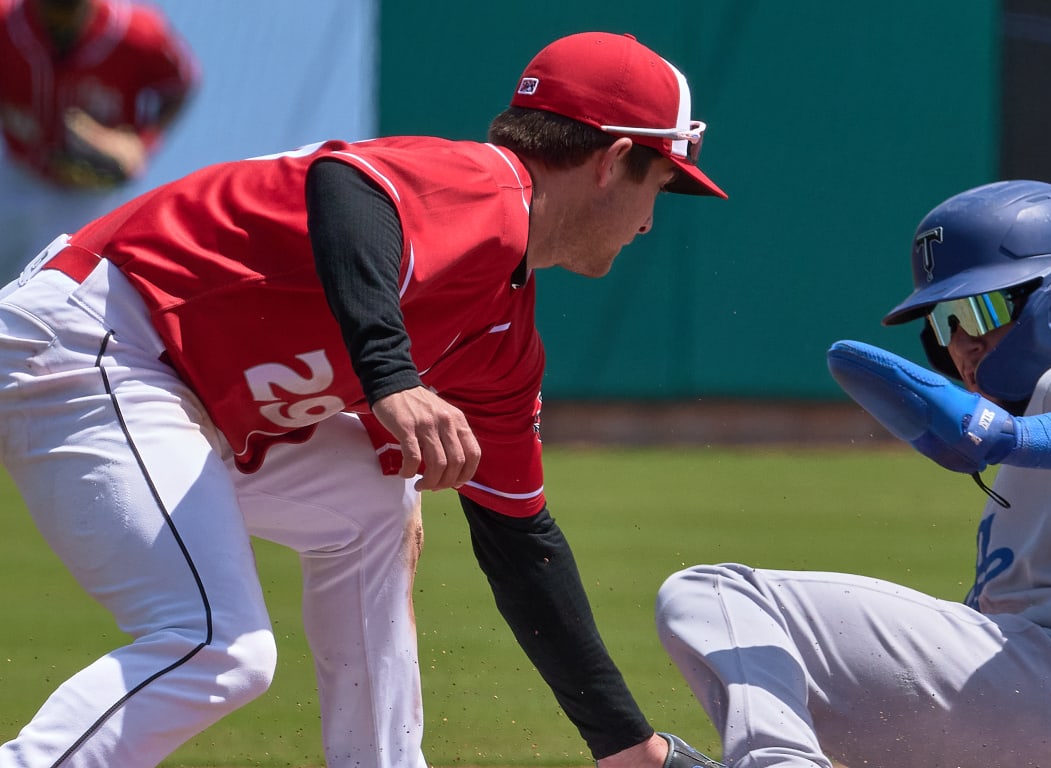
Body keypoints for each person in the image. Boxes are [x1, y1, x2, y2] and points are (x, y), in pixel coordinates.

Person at [0, 31, 728, 768]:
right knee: (219, 644)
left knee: (375, 497)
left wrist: (625, 743)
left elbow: (520, 543)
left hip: (179, 388)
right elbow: (345, 187)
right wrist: (393, 377)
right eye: (657, 186)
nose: (649, 222)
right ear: (612, 162)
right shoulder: (484, 185)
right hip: (96, 341)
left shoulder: (502, 334)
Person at [655, 180, 1051, 768]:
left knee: (711, 596)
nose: (962, 342)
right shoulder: (1035, 471)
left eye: (984, 309)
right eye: (946, 321)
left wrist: (1015, 436)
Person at [0, 0, 199, 280]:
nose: (58, 16)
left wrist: (139, 143)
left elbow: (181, 85)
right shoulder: (7, 20)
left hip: (86, 198)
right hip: (15, 172)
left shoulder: (138, 33)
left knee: (51, 285)